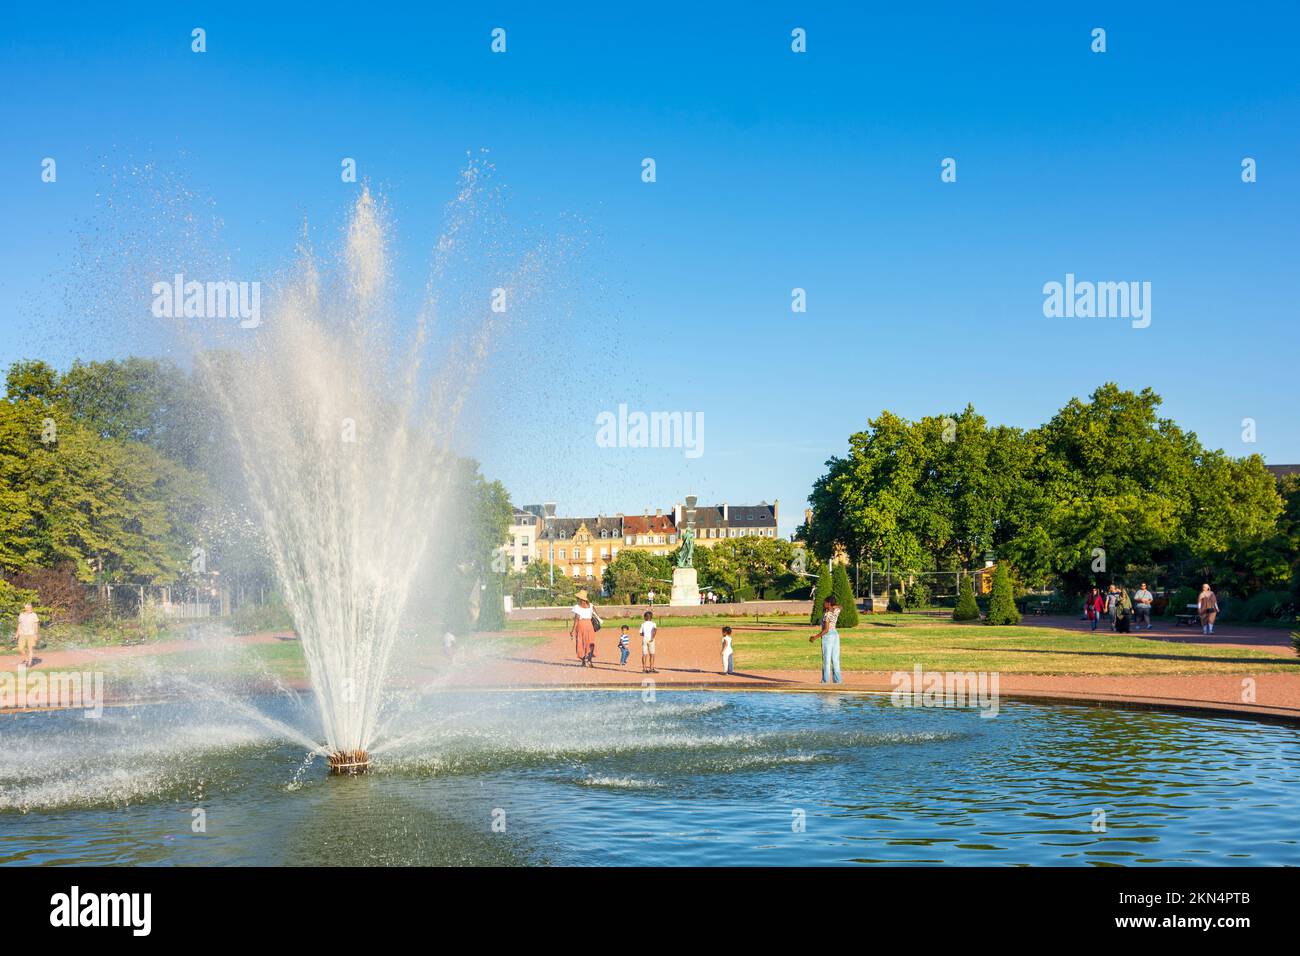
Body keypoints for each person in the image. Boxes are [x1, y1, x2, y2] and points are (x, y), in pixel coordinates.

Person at [809, 595, 842, 684]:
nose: (823, 604)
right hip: (835, 634)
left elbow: (826, 630)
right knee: (835, 659)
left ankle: (825, 682)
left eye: (825, 602)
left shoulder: (827, 614)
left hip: (828, 636)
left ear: (828, 603)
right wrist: (833, 606)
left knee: (826, 660)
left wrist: (815, 637)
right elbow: (840, 607)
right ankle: (838, 682)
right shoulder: (836, 611)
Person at [570, 590, 598, 667]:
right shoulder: (591, 605)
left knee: (581, 642)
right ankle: (589, 661)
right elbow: (596, 615)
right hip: (589, 625)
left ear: (580, 598)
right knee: (590, 642)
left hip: (581, 625)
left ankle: (583, 661)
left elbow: (576, 619)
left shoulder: (577, 607)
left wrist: (572, 630)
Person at [15, 602, 39, 667]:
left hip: (31, 634)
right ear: (25, 608)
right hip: (22, 634)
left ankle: (30, 663)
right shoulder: (21, 615)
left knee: (30, 648)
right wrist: (17, 634)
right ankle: (27, 659)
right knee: (20, 648)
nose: (30, 608)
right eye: (28, 607)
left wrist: (36, 634)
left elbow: (36, 625)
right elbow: (19, 624)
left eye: (31, 607)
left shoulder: (34, 615)